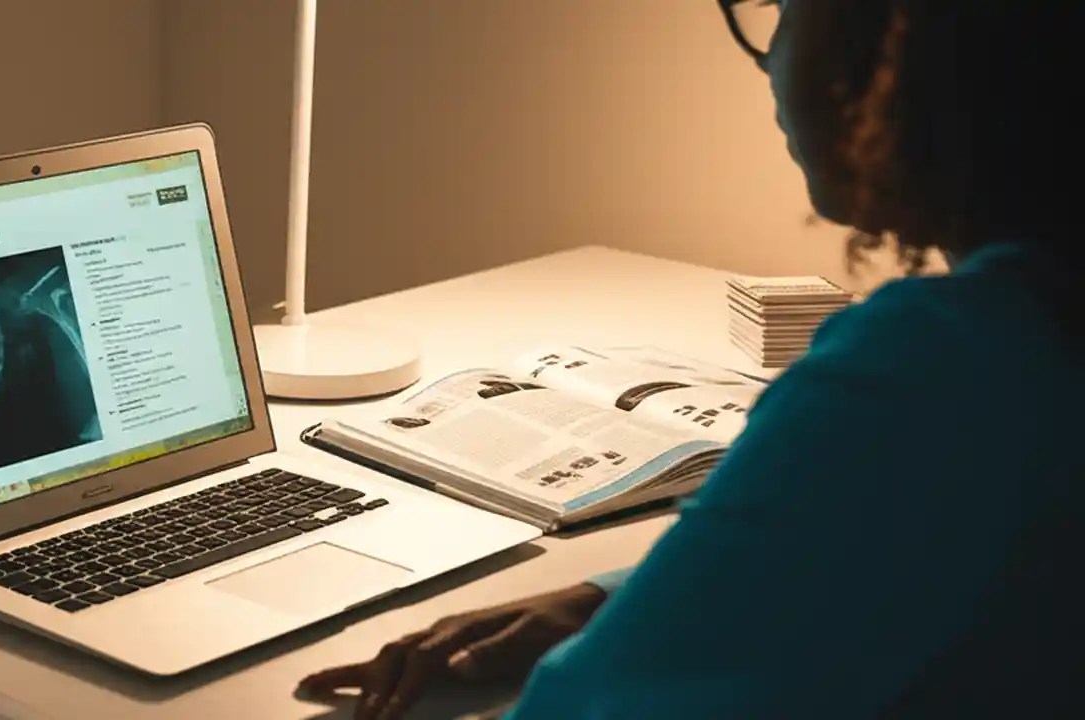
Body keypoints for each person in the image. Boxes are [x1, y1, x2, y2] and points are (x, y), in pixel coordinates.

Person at [298, 1, 1083, 717]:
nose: (769, 59)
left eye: (784, 8)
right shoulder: (1036, 323)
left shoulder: (937, 371)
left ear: (891, 46)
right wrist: (615, 597)